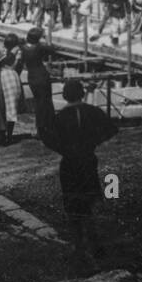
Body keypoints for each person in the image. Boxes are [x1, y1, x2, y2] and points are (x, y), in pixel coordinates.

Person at [40, 80, 118, 267]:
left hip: (69, 163)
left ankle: (79, 248)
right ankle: (95, 244)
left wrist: (64, 149)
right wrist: (94, 142)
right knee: (88, 203)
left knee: (73, 205)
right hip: (88, 159)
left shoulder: (59, 118)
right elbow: (112, 129)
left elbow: (47, 137)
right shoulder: (93, 112)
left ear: (65, 95)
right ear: (82, 94)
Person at [21, 27, 55, 140]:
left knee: (38, 103)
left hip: (32, 78)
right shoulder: (39, 48)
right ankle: (49, 127)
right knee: (47, 103)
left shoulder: (24, 48)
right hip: (42, 75)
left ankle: (40, 129)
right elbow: (52, 49)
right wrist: (46, 39)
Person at [0, 33, 24, 144]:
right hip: (12, 77)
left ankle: (5, 134)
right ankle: (7, 135)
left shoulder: (9, 52)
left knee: (6, 107)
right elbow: (16, 65)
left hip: (5, 76)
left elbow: (4, 62)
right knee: (10, 107)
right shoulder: (15, 52)